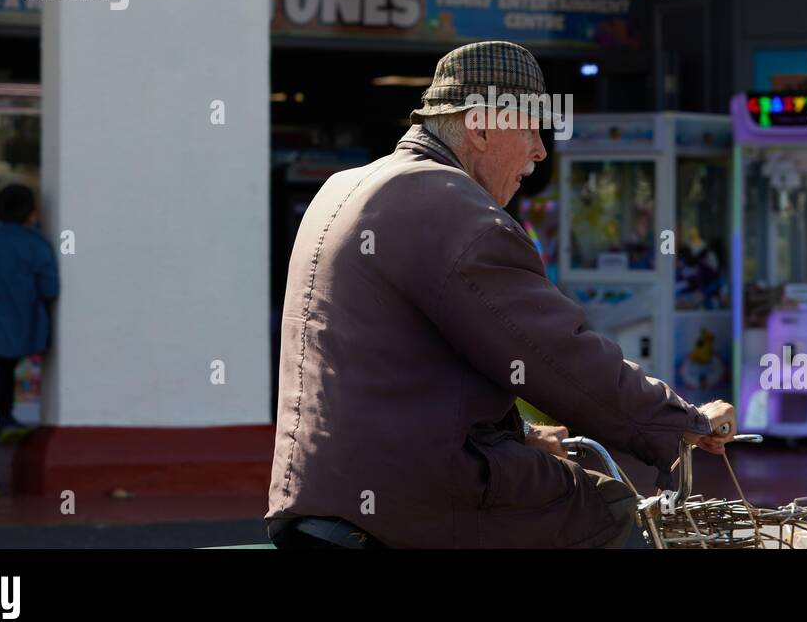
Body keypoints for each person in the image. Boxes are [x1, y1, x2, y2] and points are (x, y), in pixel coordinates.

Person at [266, 41, 736, 548]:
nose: (539, 150)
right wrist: (677, 424)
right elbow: (557, 354)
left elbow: (402, 373)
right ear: (482, 125)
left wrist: (526, 437)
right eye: (531, 127)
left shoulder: (345, 187)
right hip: (407, 500)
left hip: (318, 495)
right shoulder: (454, 209)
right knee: (603, 508)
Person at [0, 184, 60, 497]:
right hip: (18, 335)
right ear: (32, 214)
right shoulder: (39, 247)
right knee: (5, 378)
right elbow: (50, 289)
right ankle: (6, 419)